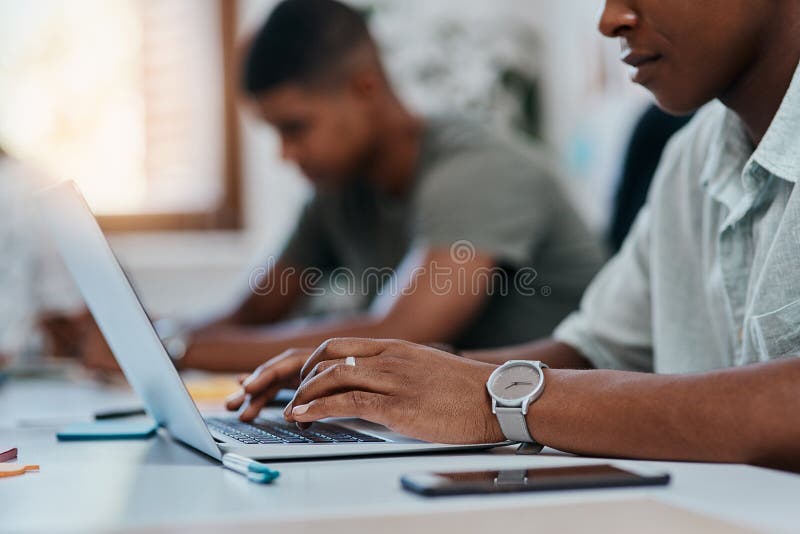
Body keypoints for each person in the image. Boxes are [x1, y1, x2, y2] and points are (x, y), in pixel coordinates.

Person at [231, 0, 800, 473]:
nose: (609, 19)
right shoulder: (691, 156)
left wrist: (493, 396)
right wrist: (396, 383)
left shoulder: (476, 167)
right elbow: (594, 347)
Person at [168, 0, 605, 374]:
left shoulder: (476, 170)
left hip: (558, 431)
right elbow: (255, 312)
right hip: (461, 428)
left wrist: (180, 352)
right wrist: (161, 338)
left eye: (295, 127)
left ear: (366, 88)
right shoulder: (338, 188)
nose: (286, 154)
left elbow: (396, 337)